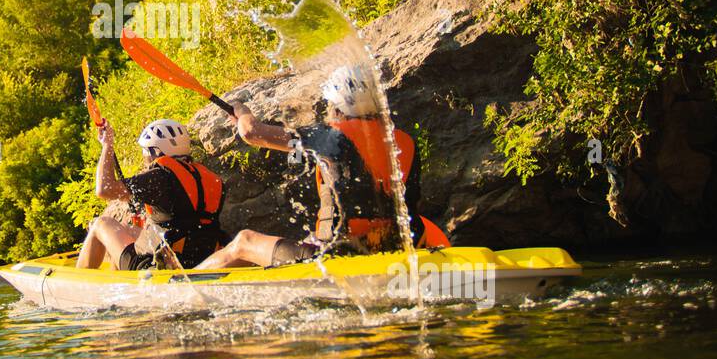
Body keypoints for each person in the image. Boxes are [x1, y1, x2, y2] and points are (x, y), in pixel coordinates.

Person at [195, 63, 450, 270]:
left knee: (244, 241)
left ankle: (182, 285)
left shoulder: (332, 136)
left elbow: (252, 133)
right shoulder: (403, 140)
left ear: (338, 104)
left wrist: (242, 112)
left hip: (341, 257)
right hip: (399, 247)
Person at [76, 118, 227, 271]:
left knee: (101, 224)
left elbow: (104, 189)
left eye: (146, 152)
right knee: (128, 229)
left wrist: (107, 145)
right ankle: (119, 285)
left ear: (157, 151)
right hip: (199, 259)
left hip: (157, 267)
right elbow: (182, 220)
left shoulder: (159, 177)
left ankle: (79, 285)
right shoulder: (209, 178)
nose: (145, 159)